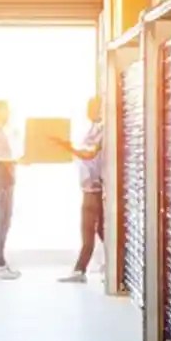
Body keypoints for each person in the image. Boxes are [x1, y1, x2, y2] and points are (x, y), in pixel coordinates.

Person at [52, 97, 105, 283]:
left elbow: (89, 154)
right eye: (89, 107)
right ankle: (83, 270)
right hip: (88, 188)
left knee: (92, 230)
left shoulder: (104, 131)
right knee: (98, 231)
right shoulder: (93, 129)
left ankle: (81, 270)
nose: (89, 111)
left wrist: (67, 147)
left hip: (95, 190)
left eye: (94, 107)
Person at [0, 100, 21, 280]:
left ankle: (0, 261)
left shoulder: (2, 132)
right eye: (4, 110)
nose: (8, 113)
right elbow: (0, 158)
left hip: (6, 180)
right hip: (2, 181)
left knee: (5, 222)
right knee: (2, 222)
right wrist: (17, 161)